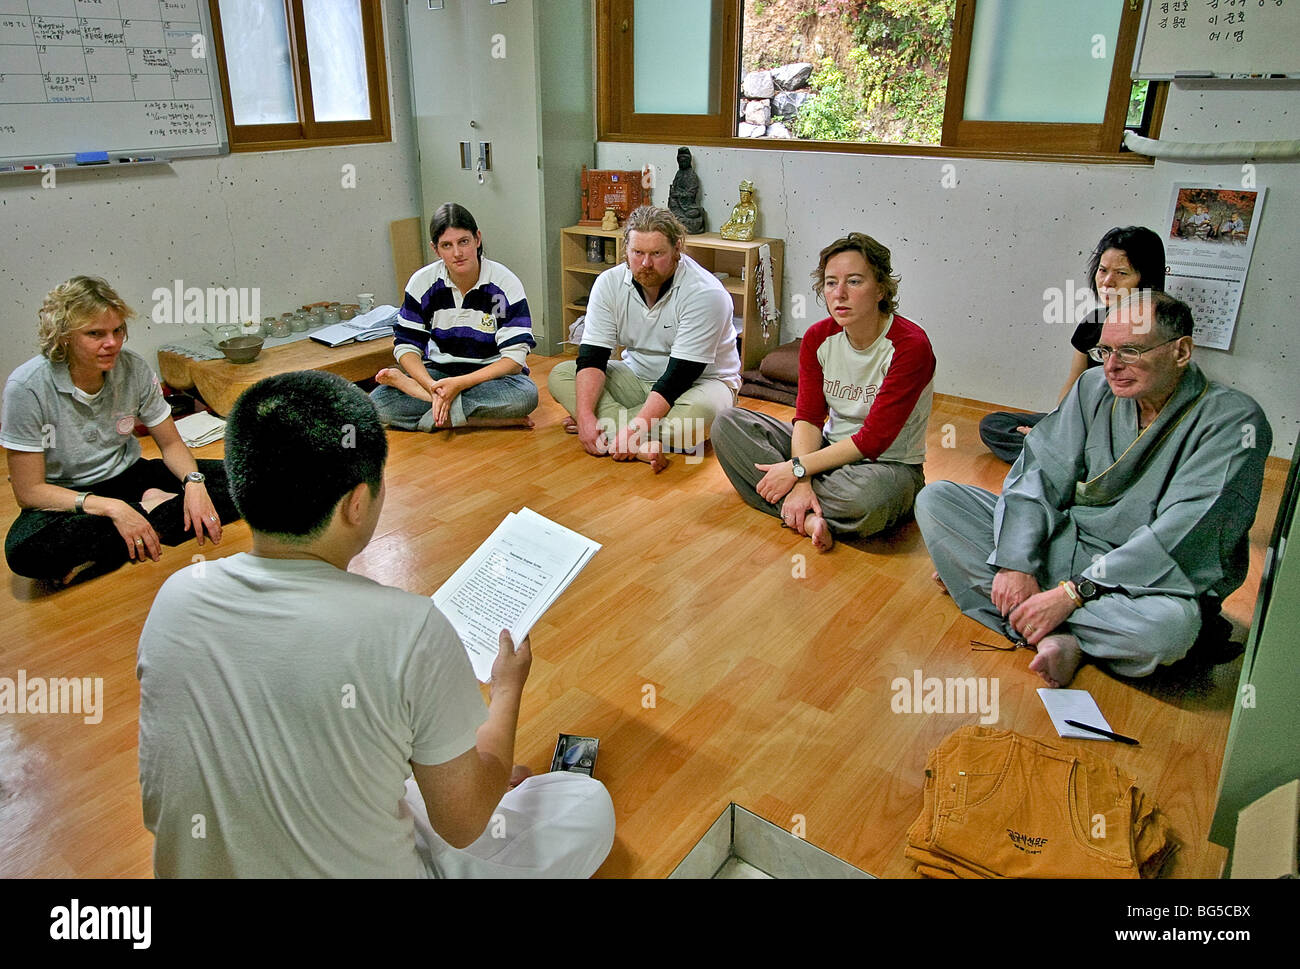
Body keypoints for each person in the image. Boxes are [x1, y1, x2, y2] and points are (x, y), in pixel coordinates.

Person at [137, 371, 615, 877]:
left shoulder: (178, 597)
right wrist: (506, 691)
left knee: (400, 770)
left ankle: (465, 774)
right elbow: (465, 823)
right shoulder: (409, 628)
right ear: (357, 502)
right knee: (585, 804)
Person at [916, 291, 1271, 689]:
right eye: (1105, 350)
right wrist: (1016, 563)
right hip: (1068, 543)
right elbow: (1039, 475)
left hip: (1145, 583)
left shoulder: (1235, 422)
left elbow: (1184, 536)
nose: (1113, 367)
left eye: (1131, 351)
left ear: (1182, 351)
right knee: (937, 499)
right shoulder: (1091, 387)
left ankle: (1033, 616)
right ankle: (1056, 630)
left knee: (1167, 632)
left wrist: (1073, 592)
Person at [2, 276, 237, 585]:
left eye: (117, 330)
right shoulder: (26, 387)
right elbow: (29, 492)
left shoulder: (134, 368)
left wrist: (193, 484)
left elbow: (170, 445)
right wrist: (114, 508)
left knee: (253, 479)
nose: (111, 343)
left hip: (130, 475)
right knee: (25, 552)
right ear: (64, 337)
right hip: (70, 497)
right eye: (95, 334)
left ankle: (117, 542)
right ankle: (152, 513)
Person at [713, 232, 935, 552]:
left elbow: (873, 440)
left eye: (855, 282)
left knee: (867, 501)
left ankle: (793, 506)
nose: (840, 294)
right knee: (728, 424)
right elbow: (809, 417)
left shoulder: (910, 346)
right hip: (825, 452)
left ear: (881, 289)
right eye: (831, 283)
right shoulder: (818, 338)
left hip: (888, 467)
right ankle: (807, 512)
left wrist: (794, 468)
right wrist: (801, 480)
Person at [548, 204, 740, 471]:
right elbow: (592, 358)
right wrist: (585, 414)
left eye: (657, 253)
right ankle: (631, 438)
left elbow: (678, 377)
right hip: (636, 376)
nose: (646, 263)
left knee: (692, 423)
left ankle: (614, 430)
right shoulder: (608, 284)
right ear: (626, 249)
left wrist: (629, 428)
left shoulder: (706, 294)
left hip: (701, 383)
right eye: (638, 253)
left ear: (677, 250)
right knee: (561, 375)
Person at [979, 226, 1166, 463]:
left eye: (1122, 273)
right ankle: (1064, 457)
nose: (1107, 282)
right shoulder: (1092, 322)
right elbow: (1073, 382)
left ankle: (1059, 457)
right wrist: (1058, 427)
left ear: (1145, 279)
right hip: (1081, 421)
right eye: (1103, 270)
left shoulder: (1157, 329)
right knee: (994, 425)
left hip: (1122, 431)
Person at [371, 202, 538, 431]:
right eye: (447, 245)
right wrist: (432, 386)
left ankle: (431, 405)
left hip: (489, 376)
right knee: (378, 404)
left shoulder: (504, 284)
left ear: (477, 239)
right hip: (438, 372)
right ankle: (483, 419)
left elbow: (514, 359)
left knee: (526, 396)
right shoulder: (422, 283)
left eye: (464, 242)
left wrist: (459, 385)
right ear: (435, 249)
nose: (457, 253)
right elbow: (406, 346)